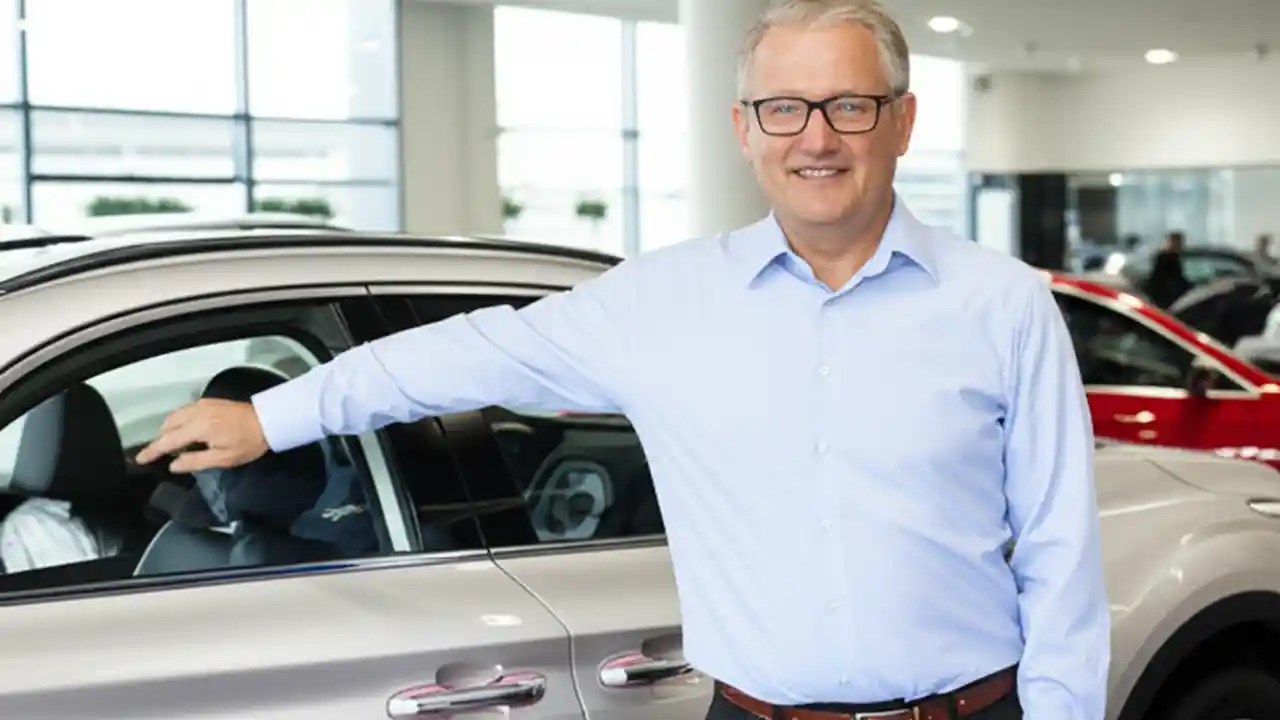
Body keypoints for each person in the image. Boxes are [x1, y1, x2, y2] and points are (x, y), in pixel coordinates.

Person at [137, 1, 1108, 718]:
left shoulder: (1001, 303)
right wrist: (272, 416)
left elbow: (1060, 553)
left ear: (901, 120)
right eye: (783, 108)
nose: (815, 137)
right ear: (744, 129)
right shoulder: (661, 304)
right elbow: (467, 354)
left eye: (849, 105)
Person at [1142, 230, 1191, 308]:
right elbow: (1173, 279)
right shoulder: (1167, 259)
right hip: (1166, 296)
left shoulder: (1172, 257)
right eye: (1177, 242)